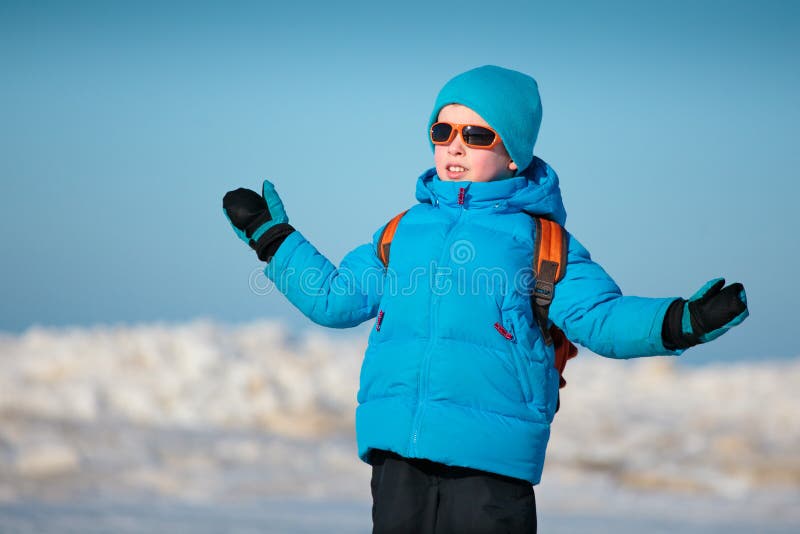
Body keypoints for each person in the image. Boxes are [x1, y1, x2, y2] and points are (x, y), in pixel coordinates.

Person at [222, 65, 748, 533]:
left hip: (491, 464)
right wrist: (273, 238)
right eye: (442, 130)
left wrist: (682, 321)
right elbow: (336, 300)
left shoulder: (540, 242)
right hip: (397, 454)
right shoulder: (401, 232)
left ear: (514, 154)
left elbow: (600, 317)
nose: (454, 145)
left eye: (476, 134)